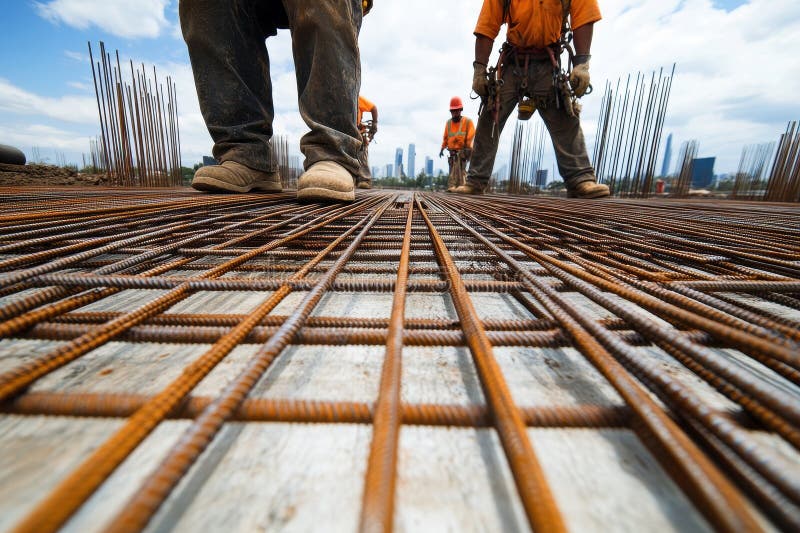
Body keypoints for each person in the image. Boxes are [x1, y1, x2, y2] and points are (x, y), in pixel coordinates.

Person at [183, 0, 373, 202]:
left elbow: (373, 111)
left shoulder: (364, 103)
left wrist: (371, 127)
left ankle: (333, 153)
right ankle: (246, 152)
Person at [458, 0, 610, 198]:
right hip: (514, 62)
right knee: (491, 117)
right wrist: (479, 69)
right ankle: (475, 181)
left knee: (565, 118)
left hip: (547, 62)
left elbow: (584, 16)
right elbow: (488, 24)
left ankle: (580, 179)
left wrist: (581, 64)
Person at [439, 97, 476, 192]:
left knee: (462, 173)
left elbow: (471, 136)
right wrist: (442, 148)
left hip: (463, 154)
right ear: (450, 111)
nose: (455, 113)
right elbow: (445, 138)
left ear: (461, 110)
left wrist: (465, 148)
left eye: (457, 111)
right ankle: (453, 189)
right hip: (452, 155)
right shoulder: (448, 123)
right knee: (452, 173)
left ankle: (461, 188)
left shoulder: (468, 122)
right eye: (453, 111)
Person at [356, 95, 378, 189]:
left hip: (358, 133)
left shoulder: (356, 98)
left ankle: (364, 180)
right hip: (342, 132)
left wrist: (374, 123)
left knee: (362, 156)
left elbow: (373, 108)